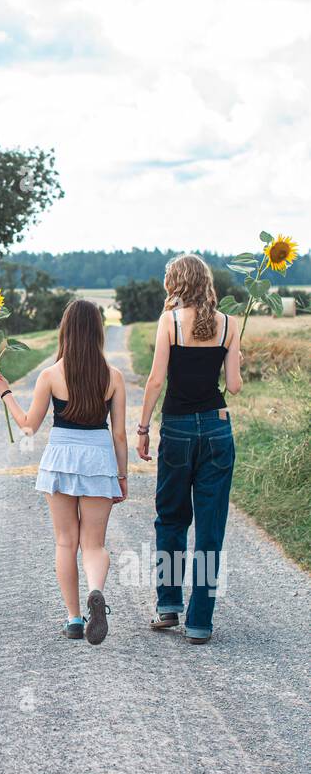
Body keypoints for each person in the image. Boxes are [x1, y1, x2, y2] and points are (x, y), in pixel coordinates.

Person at [0, 299, 127, 644]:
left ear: (64, 332)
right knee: (94, 544)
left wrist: (6, 393)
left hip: (61, 458)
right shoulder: (113, 377)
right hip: (99, 458)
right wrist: (122, 476)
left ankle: (72, 618)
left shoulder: (51, 375)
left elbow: (28, 427)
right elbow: (120, 434)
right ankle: (96, 590)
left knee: (65, 542)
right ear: (99, 331)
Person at [137, 253, 242, 643]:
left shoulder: (170, 323)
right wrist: (237, 359)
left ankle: (168, 606)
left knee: (171, 519)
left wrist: (143, 427)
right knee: (211, 528)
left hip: (178, 430)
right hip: (217, 429)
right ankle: (200, 623)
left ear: (176, 283)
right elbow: (233, 387)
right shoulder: (229, 324)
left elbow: (154, 381)